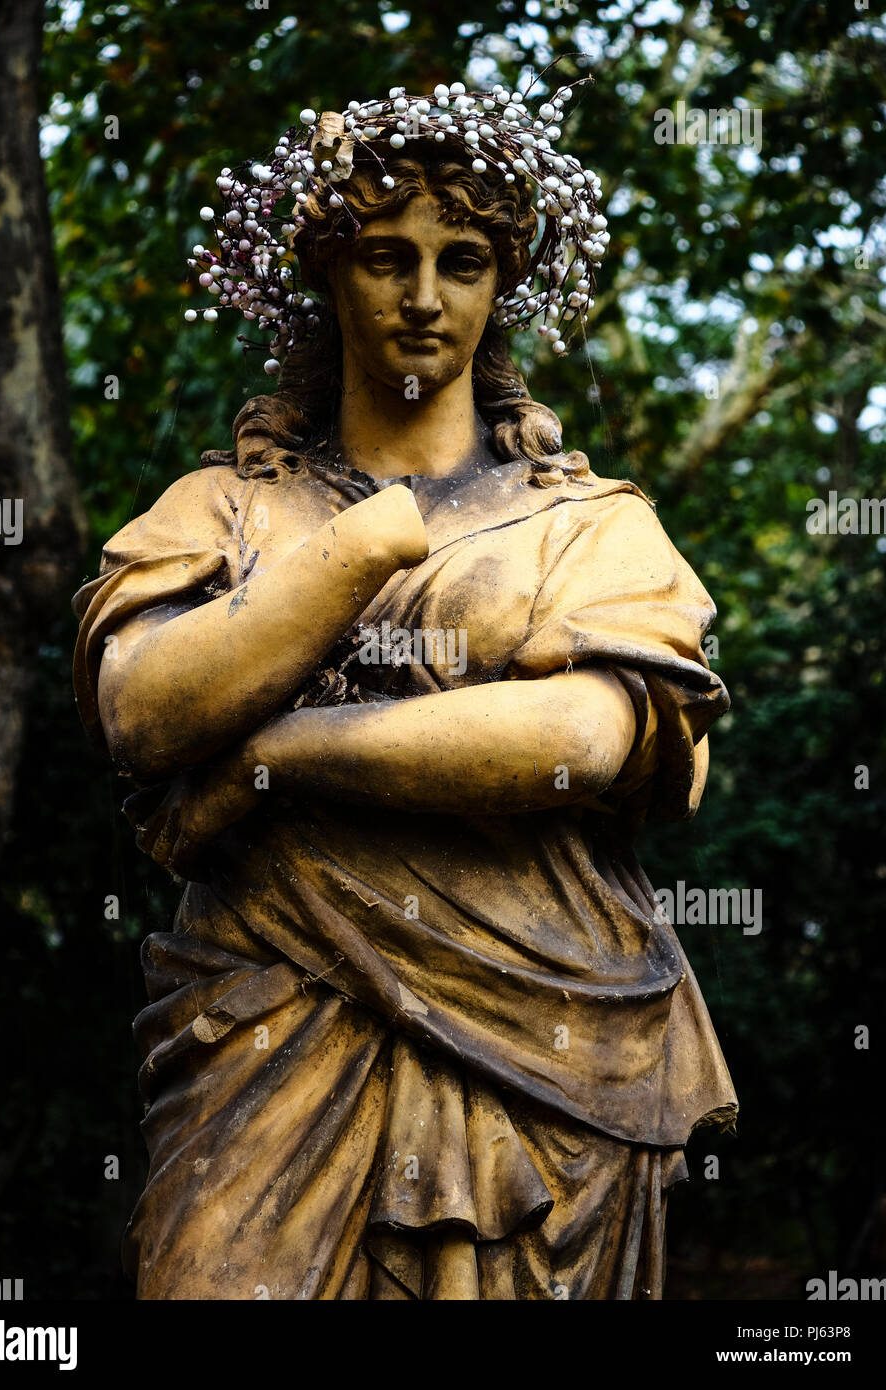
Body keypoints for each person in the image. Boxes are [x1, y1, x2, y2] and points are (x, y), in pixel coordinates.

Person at [72, 84, 737, 1300]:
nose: (424, 297)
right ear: (328, 274)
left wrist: (279, 754)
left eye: (462, 259)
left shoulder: (592, 526)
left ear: (502, 284)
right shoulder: (227, 508)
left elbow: (584, 737)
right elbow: (144, 707)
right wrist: (367, 544)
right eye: (385, 256)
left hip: (545, 1043)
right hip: (270, 1033)